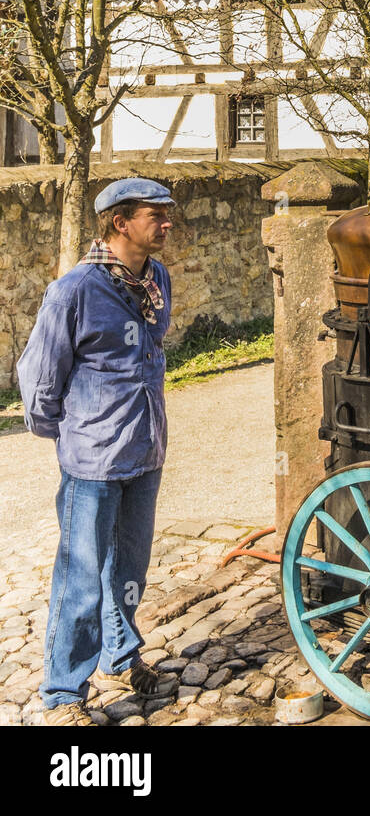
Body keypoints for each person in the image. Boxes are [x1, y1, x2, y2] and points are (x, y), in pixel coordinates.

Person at [17, 178, 179, 727]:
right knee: (81, 577)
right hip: (93, 459)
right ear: (119, 222)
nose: (167, 222)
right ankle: (63, 693)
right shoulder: (74, 291)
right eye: (155, 214)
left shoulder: (156, 279)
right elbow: (40, 377)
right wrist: (71, 436)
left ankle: (121, 654)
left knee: (129, 567)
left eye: (168, 212)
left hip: (145, 448)